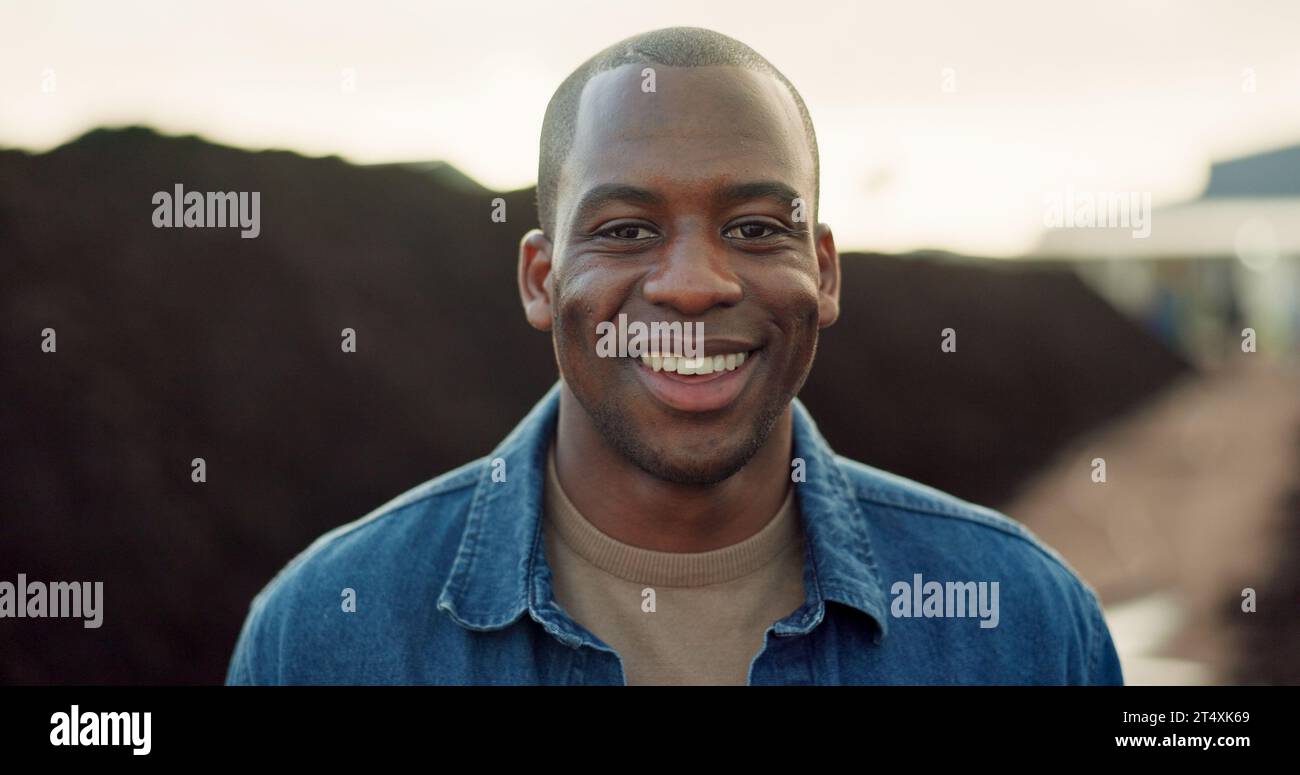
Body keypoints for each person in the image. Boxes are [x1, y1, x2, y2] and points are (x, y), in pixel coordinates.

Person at [226, 26, 1124, 685]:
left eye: (755, 227)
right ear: (541, 280)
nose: (695, 284)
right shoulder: (322, 636)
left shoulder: (1026, 625)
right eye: (624, 229)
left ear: (823, 272)